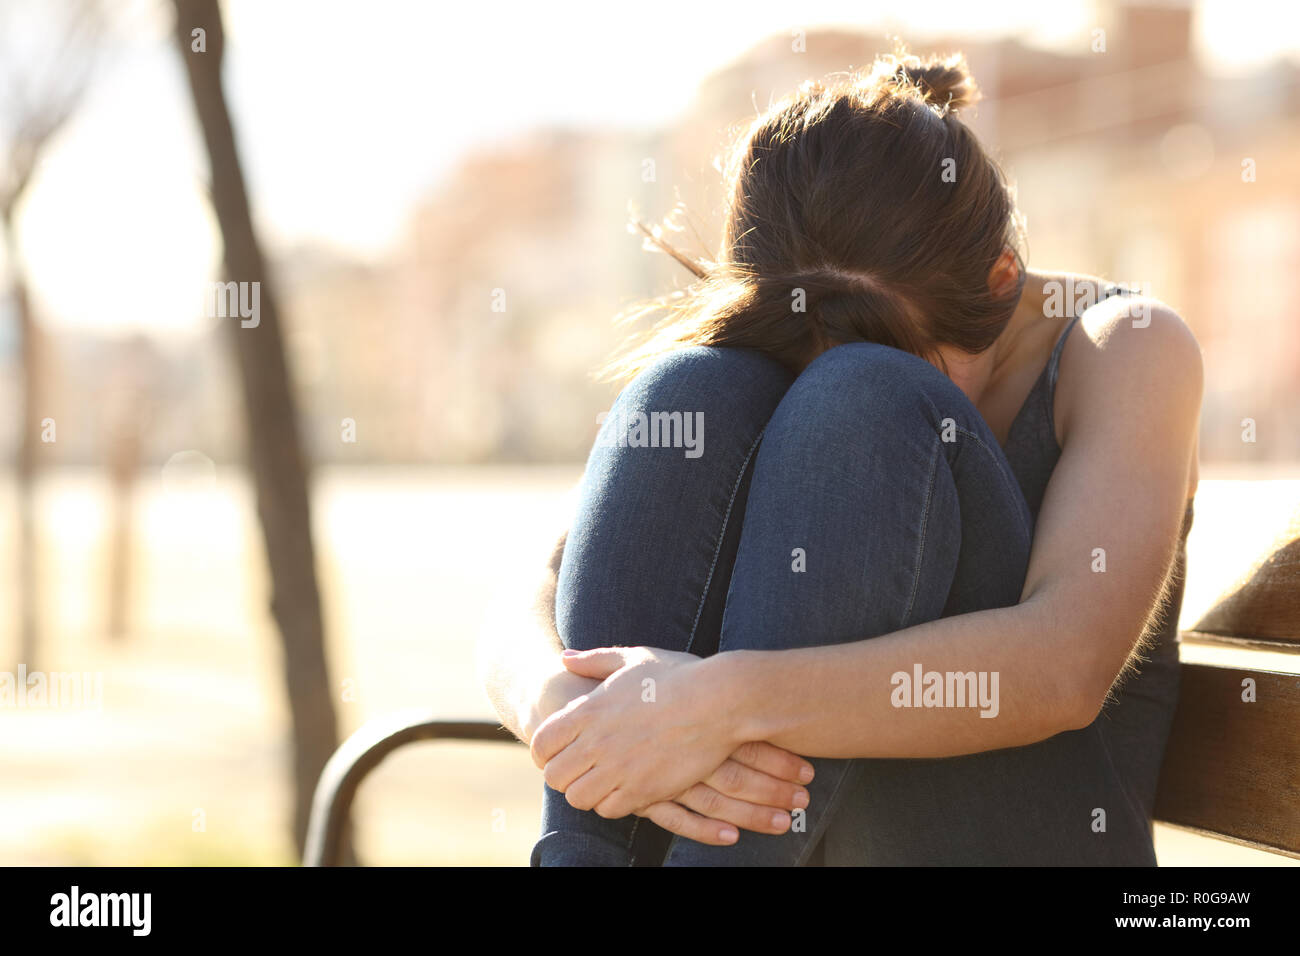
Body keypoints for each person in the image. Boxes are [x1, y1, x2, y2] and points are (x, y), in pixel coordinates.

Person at [480, 50, 1201, 866]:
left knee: (862, 397)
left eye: (900, 349)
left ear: (1001, 281)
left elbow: (1063, 667)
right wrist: (563, 712)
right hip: (810, 840)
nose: (811, 368)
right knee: (694, 386)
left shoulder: (1129, 347)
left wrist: (722, 702)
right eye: (795, 348)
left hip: (1028, 832)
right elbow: (536, 586)